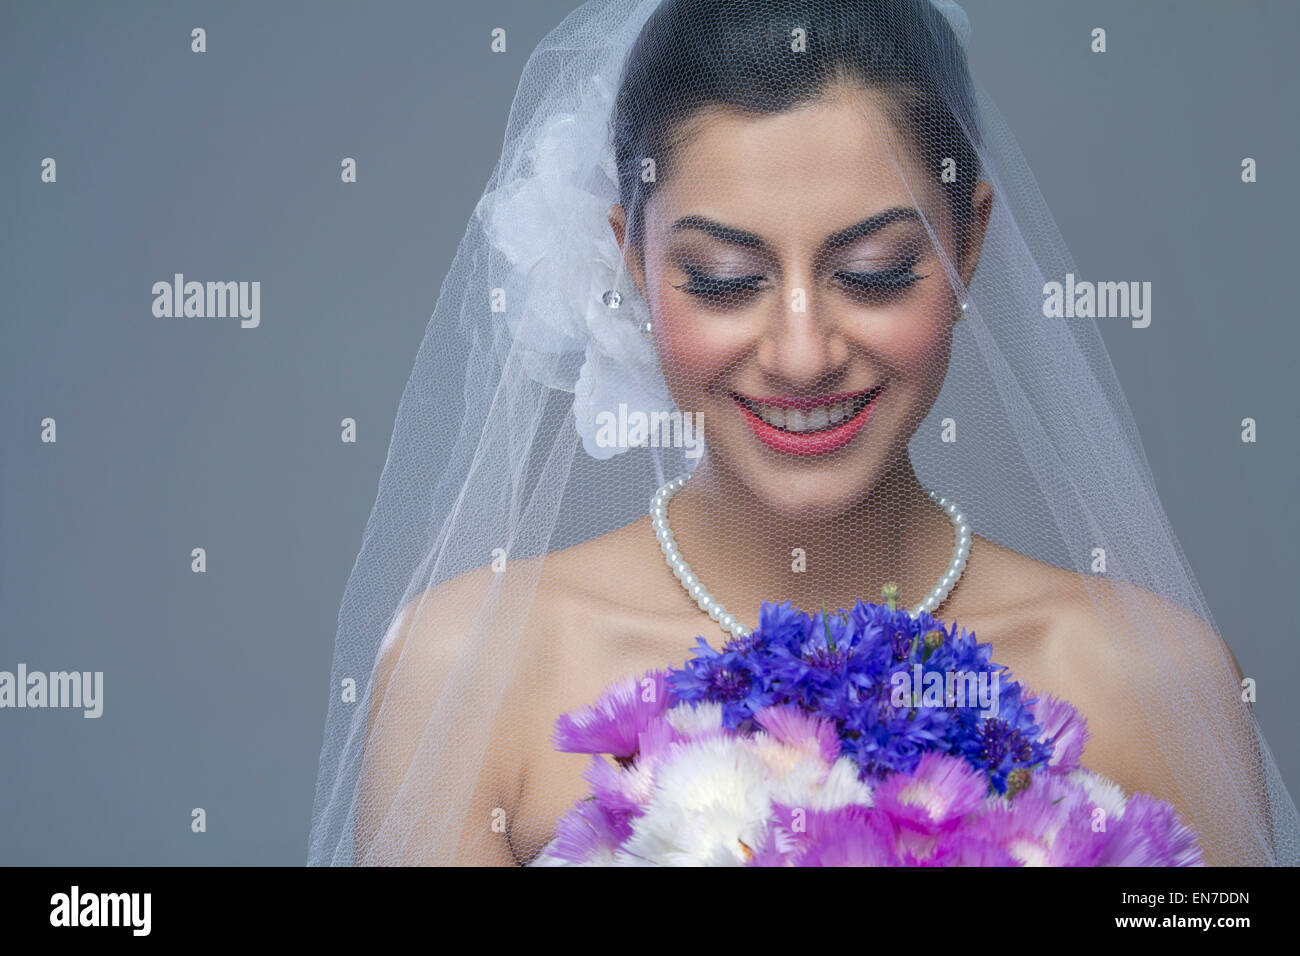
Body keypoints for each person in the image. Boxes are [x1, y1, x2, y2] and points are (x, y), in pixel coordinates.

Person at [307, 0, 1300, 866]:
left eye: (870, 271)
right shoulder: (467, 669)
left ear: (966, 244)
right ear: (631, 261)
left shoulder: (1153, 682)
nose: (799, 354)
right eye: (723, 281)